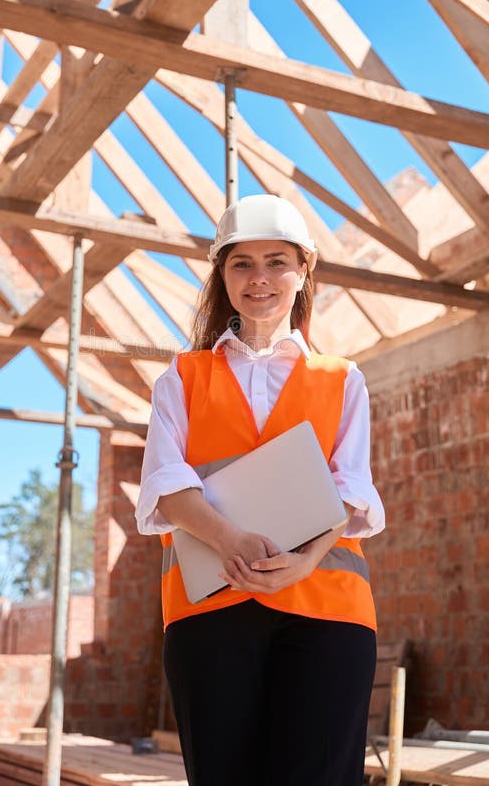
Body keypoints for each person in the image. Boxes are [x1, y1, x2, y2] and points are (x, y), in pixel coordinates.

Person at [136, 193, 385, 786]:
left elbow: (351, 490)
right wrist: (229, 539)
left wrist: (303, 564)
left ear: (303, 272)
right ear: (222, 276)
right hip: (212, 612)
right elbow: (164, 486)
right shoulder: (182, 377)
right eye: (241, 263)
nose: (260, 278)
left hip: (327, 612)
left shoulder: (342, 378)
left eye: (277, 261)